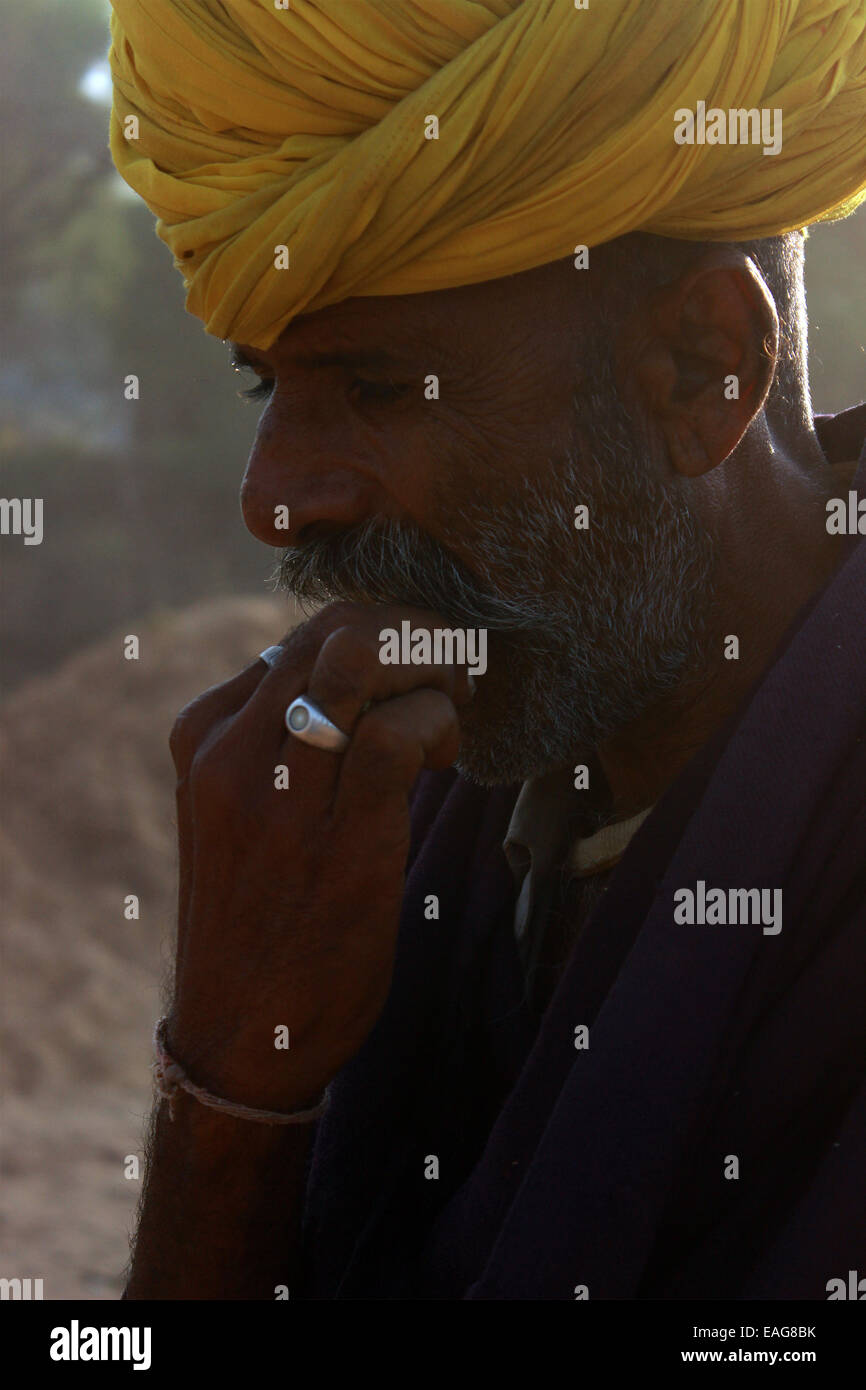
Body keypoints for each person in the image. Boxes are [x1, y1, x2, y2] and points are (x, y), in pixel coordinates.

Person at [108, 0, 866, 1299]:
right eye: (262, 385)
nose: (274, 498)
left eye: (383, 387)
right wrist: (236, 1076)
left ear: (702, 365)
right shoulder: (434, 806)